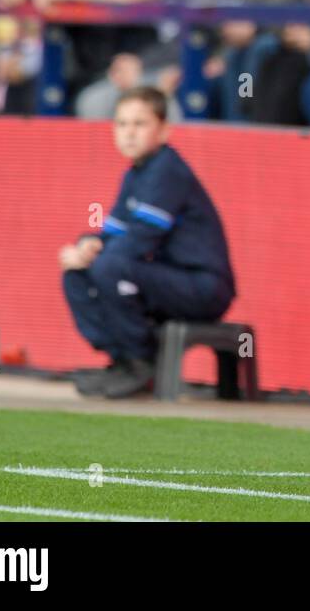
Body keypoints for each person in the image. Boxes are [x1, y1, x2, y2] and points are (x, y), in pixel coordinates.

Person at [59, 85, 236, 398]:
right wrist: (87, 245)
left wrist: (99, 256)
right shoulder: (135, 174)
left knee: (111, 267)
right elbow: (113, 232)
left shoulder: (168, 170)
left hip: (203, 287)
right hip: (165, 280)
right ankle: (123, 359)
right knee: (76, 272)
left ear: (164, 131)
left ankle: (142, 362)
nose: (129, 133)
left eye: (140, 124)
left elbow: (141, 238)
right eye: (122, 124)